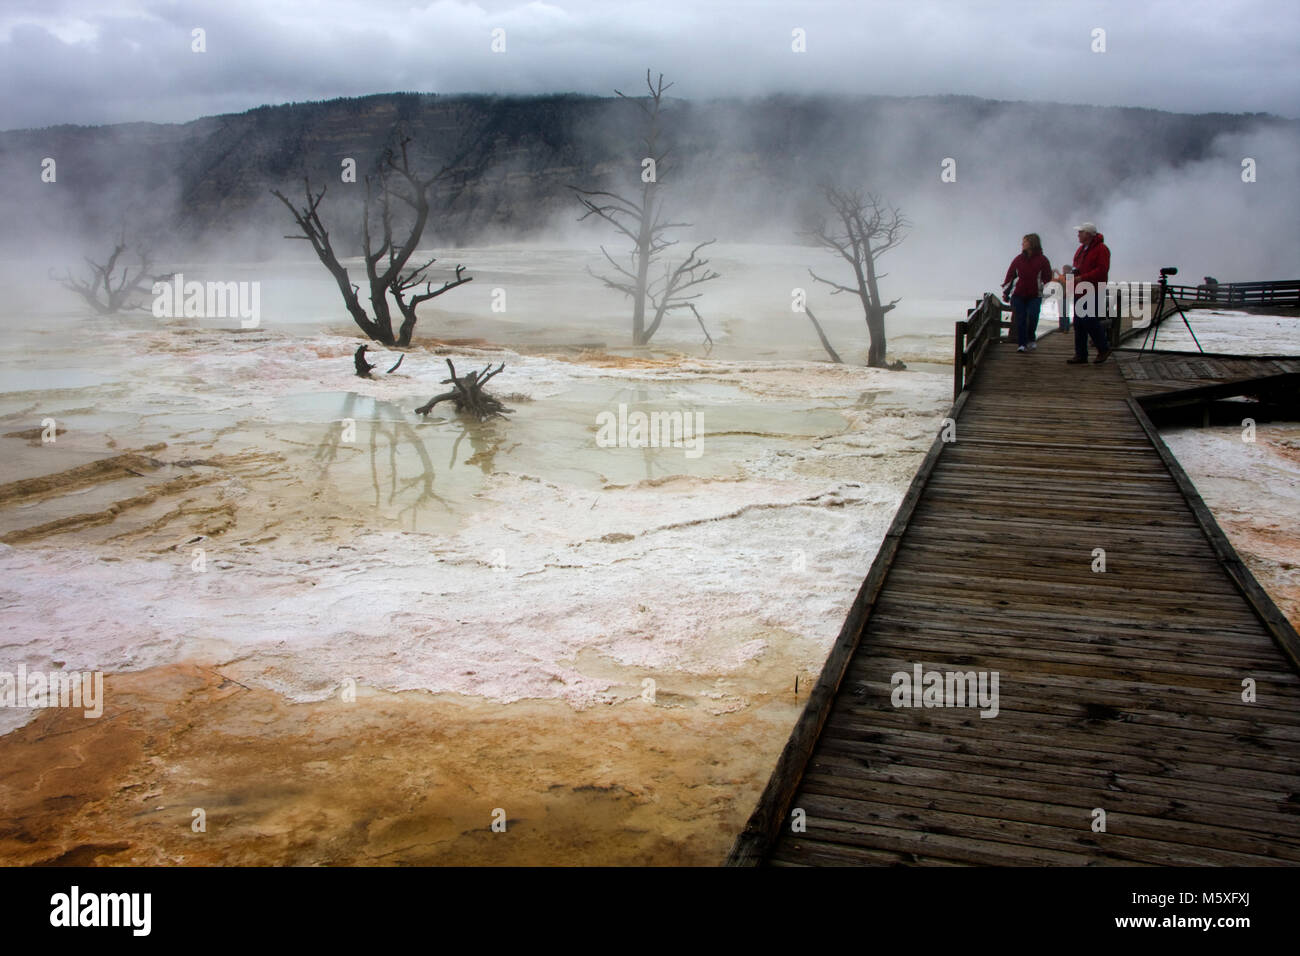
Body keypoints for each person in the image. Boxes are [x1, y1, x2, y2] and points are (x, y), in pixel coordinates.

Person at [1065, 222, 1111, 364]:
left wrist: (1082, 277)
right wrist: (1072, 276)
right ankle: (1081, 354)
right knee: (1079, 323)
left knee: (1089, 320)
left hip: (1094, 289)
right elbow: (1076, 267)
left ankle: (1103, 348)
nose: (1078, 234)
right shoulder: (1080, 249)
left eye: (1080, 232)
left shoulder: (1101, 249)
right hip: (1080, 289)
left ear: (1088, 234)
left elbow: (1102, 270)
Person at [1002, 233, 1052, 352]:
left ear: (1031, 243)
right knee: (1021, 318)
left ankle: (1031, 338)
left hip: (1035, 295)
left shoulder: (1043, 260)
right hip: (1018, 294)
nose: (1022, 244)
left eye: (1024, 242)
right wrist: (1006, 293)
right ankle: (1022, 344)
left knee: (1033, 316)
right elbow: (1010, 276)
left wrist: (1044, 288)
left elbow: (1047, 277)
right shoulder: (1018, 259)